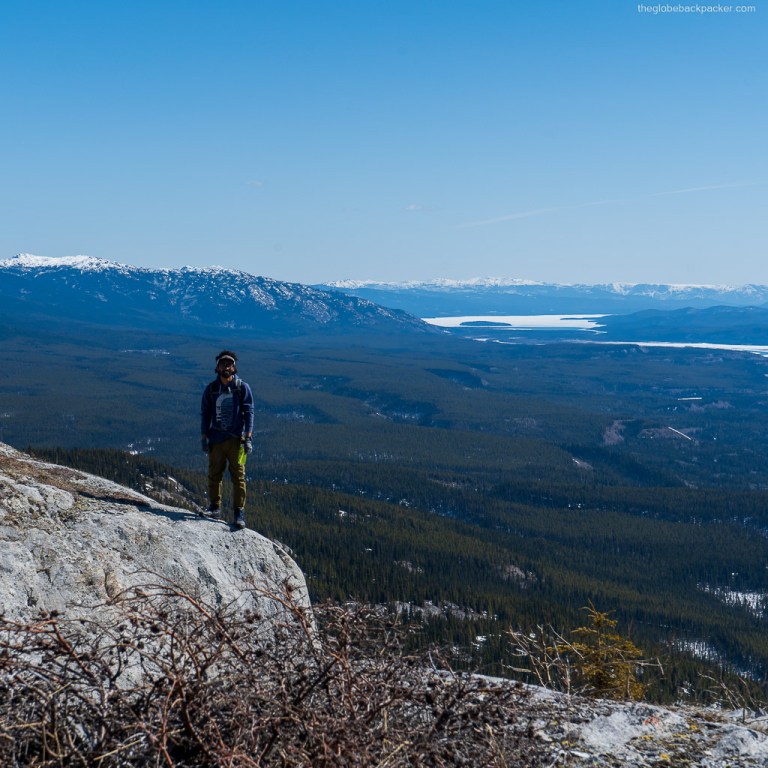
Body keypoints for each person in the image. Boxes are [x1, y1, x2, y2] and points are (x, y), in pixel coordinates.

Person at [200, 350, 254, 529]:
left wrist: (248, 437)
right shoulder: (211, 389)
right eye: (223, 364)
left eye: (229, 364)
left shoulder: (242, 387)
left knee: (238, 477)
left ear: (234, 367)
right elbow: (205, 414)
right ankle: (215, 507)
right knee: (214, 475)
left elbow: (249, 412)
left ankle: (239, 513)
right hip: (216, 439)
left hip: (236, 441)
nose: (226, 367)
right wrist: (204, 436)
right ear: (217, 367)